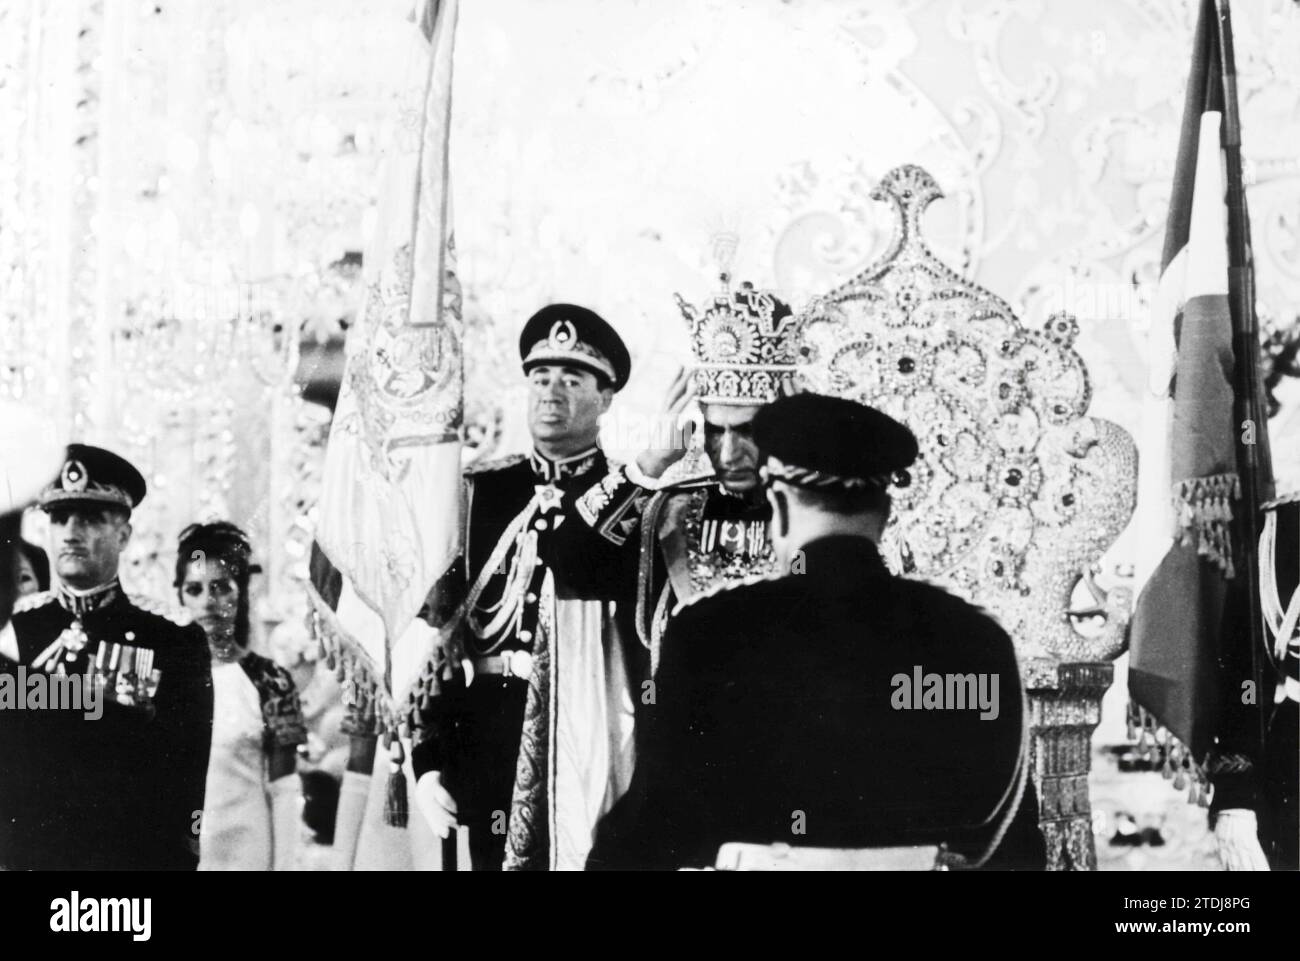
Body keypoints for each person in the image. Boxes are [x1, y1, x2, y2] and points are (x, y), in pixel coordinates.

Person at [587, 393, 1046, 870]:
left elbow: (653, 827)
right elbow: (1011, 838)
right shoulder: (977, 640)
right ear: (885, 512)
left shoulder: (708, 633)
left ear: (779, 505)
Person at [410, 303, 642, 870]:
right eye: (540, 378)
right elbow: (439, 637)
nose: (550, 393)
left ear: (605, 398)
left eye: (571, 379)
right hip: (490, 727)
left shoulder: (631, 499)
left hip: (592, 725)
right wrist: (430, 757)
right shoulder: (479, 495)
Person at [557, 277, 796, 671]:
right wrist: (649, 463)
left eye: (749, 431)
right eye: (716, 430)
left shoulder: (821, 513)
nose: (729, 452)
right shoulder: (671, 512)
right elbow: (572, 570)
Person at [2, 444, 214, 870]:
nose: (71, 531)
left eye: (91, 518)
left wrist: (182, 855)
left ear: (124, 535)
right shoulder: (13, 629)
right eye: (60, 518)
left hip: (126, 862)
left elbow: (189, 769)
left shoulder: (172, 637)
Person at [177, 521, 307, 871]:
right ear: (180, 596)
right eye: (194, 589)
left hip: (247, 850)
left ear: (241, 592)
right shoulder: (166, 680)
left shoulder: (269, 680)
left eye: (220, 587)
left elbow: (283, 788)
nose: (208, 602)